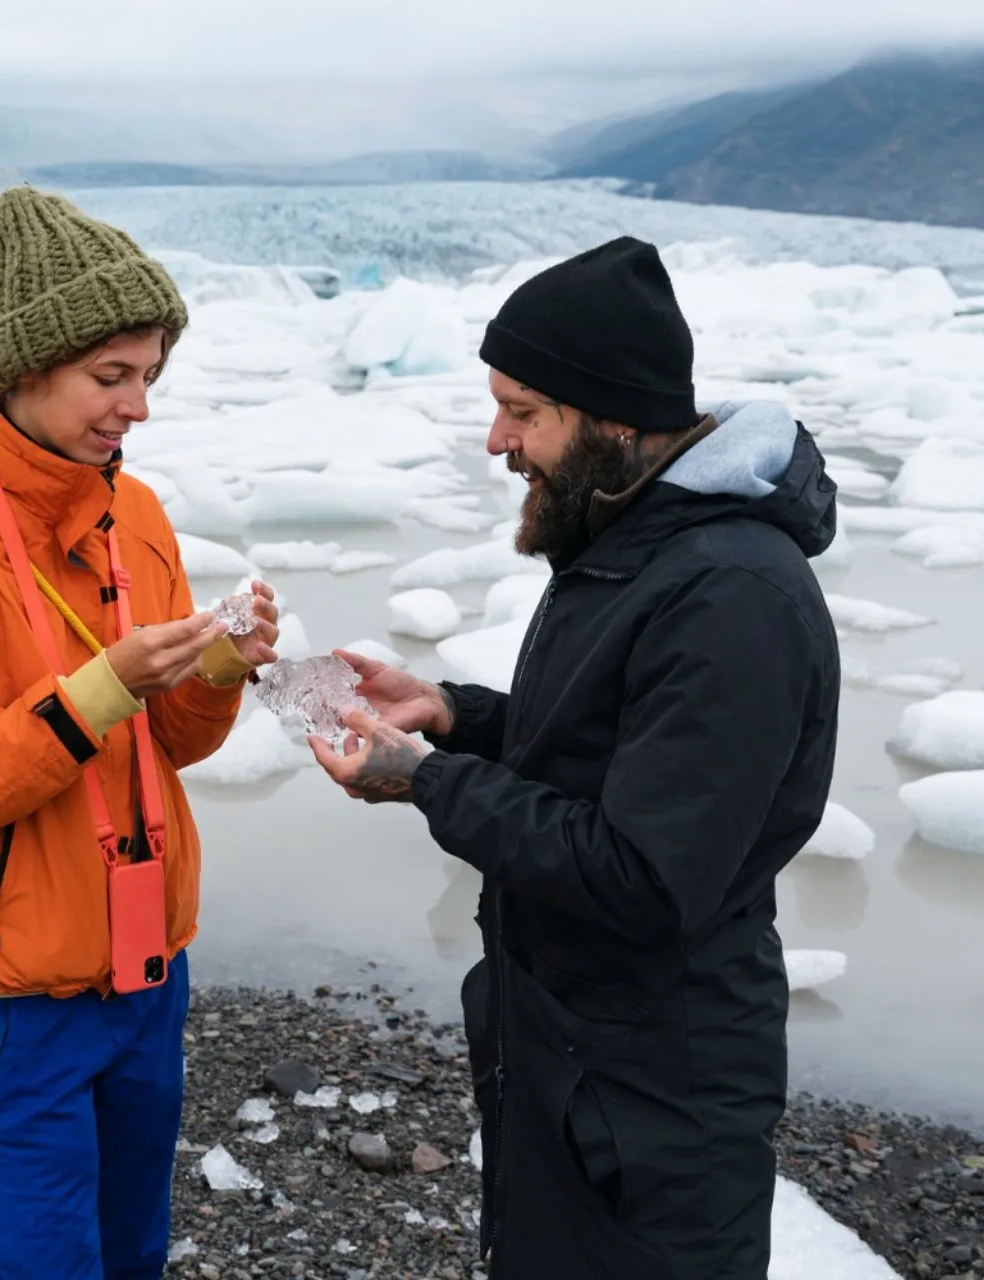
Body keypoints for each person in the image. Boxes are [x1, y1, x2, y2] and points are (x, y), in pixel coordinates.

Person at [312, 236, 841, 1277]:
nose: (496, 438)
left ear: (612, 415)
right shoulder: (638, 539)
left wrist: (425, 780)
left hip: (655, 1097)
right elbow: (608, 746)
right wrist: (452, 716)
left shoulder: (730, 594)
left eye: (523, 410)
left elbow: (643, 873)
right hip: (578, 1055)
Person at [0, 188, 279, 1280]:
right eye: (110, 377)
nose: (139, 408)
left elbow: (169, 746)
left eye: (150, 377)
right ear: (26, 366)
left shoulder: (139, 515)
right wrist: (92, 695)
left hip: (144, 971)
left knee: (133, 1251)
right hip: (5, 999)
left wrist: (216, 668)